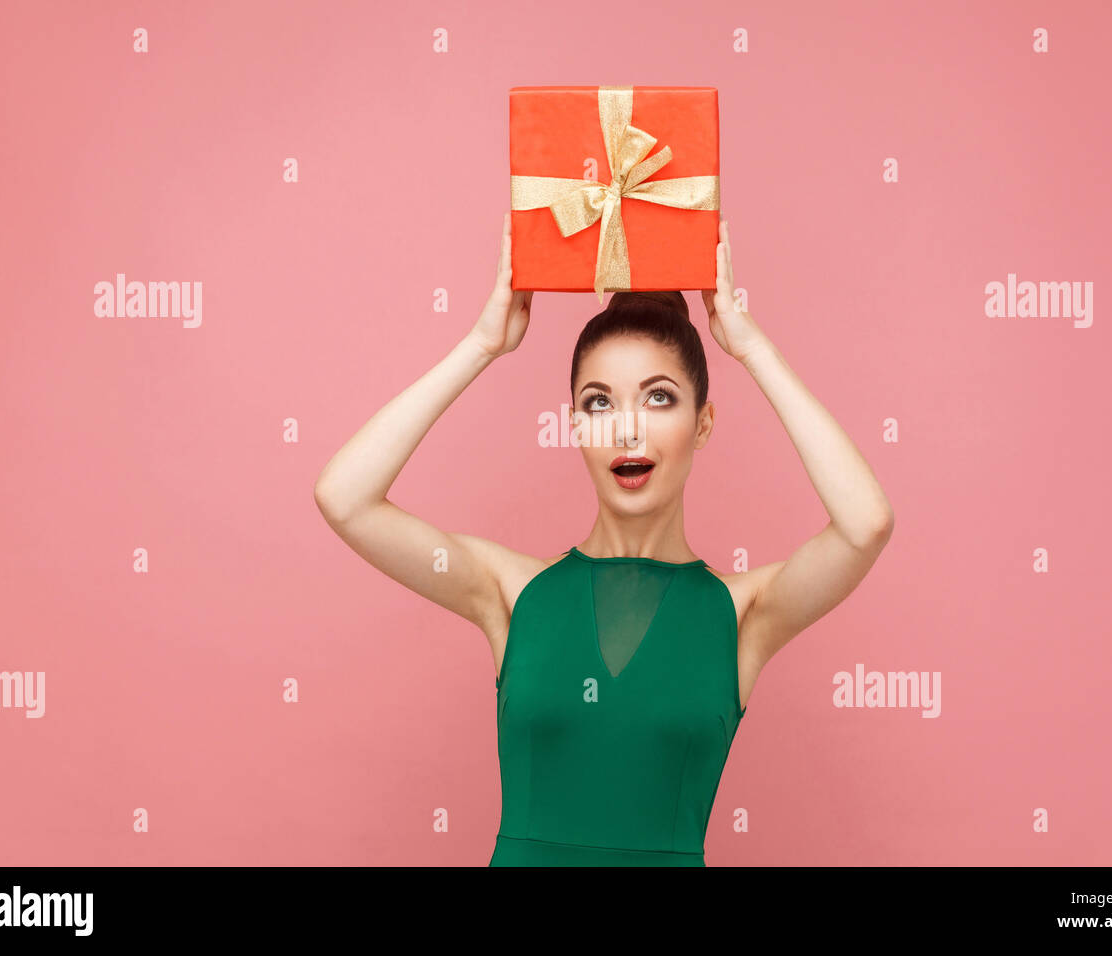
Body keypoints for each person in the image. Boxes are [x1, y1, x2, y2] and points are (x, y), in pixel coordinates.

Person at [314, 213, 895, 865]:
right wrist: (481, 345)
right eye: (598, 403)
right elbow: (345, 497)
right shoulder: (513, 593)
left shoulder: (742, 614)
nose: (626, 430)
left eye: (659, 399)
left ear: (703, 424)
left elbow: (864, 523)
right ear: (574, 427)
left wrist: (751, 346)